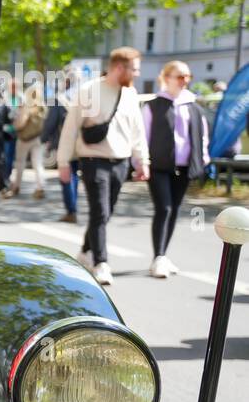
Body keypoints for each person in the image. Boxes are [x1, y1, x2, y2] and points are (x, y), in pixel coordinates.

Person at [57, 47, 150, 285]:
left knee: (105, 213)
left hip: (121, 162)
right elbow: (70, 129)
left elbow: (137, 132)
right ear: (120, 67)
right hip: (93, 160)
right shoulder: (89, 91)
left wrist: (142, 161)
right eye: (135, 69)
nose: (137, 74)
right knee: (99, 211)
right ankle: (101, 262)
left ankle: (85, 251)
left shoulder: (130, 94)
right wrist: (63, 162)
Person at [143, 60, 209, 278]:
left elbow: (202, 136)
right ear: (167, 78)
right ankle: (158, 257)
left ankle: (163, 255)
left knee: (174, 210)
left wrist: (203, 159)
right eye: (180, 76)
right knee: (164, 208)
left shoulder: (193, 106)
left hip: (184, 165)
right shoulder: (153, 105)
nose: (185, 81)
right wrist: (141, 162)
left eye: (188, 76)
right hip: (159, 165)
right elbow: (144, 135)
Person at [41, 77, 78, 222]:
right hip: (81, 144)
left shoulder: (60, 100)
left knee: (66, 175)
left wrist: (43, 139)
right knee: (74, 175)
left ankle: (71, 210)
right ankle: (73, 207)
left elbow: (51, 122)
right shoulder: (84, 97)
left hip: (65, 143)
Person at [5, 83, 48, 198]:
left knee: (20, 163)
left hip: (24, 138)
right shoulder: (42, 106)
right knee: (38, 163)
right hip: (38, 138)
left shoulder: (27, 106)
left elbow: (21, 123)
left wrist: (15, 126)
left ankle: (16, 186)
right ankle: (40, 187)